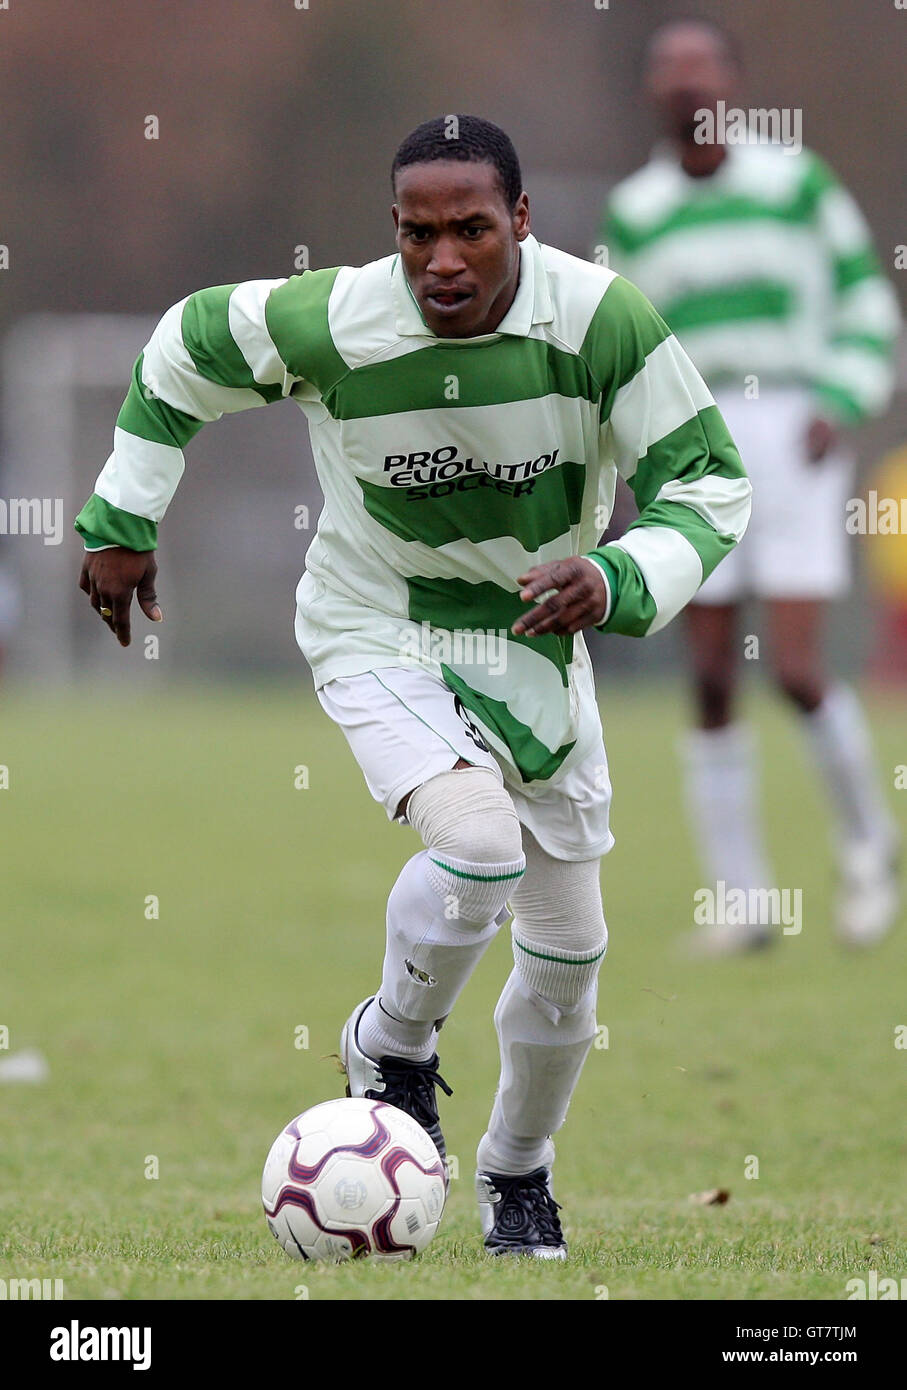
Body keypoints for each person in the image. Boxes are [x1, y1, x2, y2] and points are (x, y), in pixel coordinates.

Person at [75, 115, 750, 1258]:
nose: (442, 260)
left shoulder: (599, 319)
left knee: (569, 965)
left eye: (471, 231)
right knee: (477, 843)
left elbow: (708, 481)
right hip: (377, 625)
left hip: (533, 645)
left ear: (521, 224)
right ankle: (390, 1043)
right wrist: (121, 517)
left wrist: (617, 571)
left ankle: (517, 1175)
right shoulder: (336, 320)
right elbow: (183, 348)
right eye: (417, 234)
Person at [601, 19, 902, 952]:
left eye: (701, 68)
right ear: (651, 90)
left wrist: (842, 396)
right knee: (708, 675)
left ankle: (865, 848)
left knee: (799, 669)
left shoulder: (795, 184)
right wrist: (622, 460)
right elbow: (621, 349)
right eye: (668, 70)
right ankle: (741, 902)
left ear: (731, 82)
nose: (686, 85)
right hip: (693, 437)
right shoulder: (636, 210)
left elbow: (862, 299)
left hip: (792, 429)